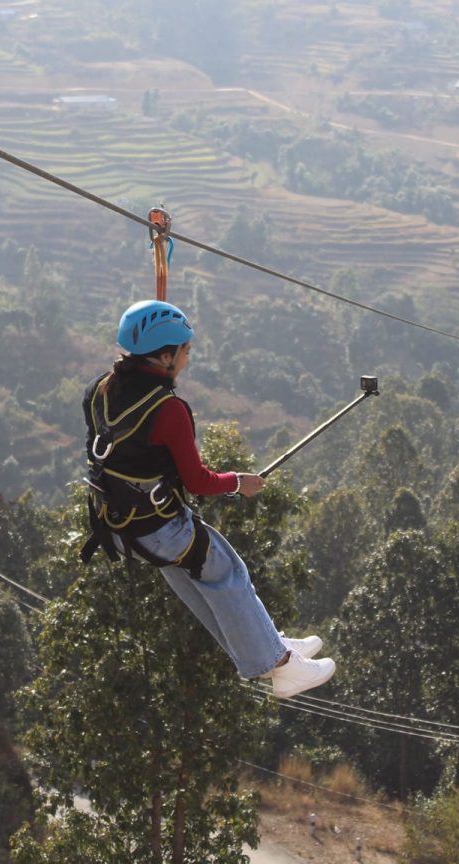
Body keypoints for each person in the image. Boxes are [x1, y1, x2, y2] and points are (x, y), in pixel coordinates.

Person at [81, 299, 336, 698]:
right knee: (228, 574)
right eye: (184, 350)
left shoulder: (100, 389)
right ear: (164, 356)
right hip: (159, 527)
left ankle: (269, 644)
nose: (188, 357)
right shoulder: (168, 410)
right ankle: (281, 667)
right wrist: (238, 482)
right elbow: (197, 481)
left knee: (201, 580)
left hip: (117, 525)